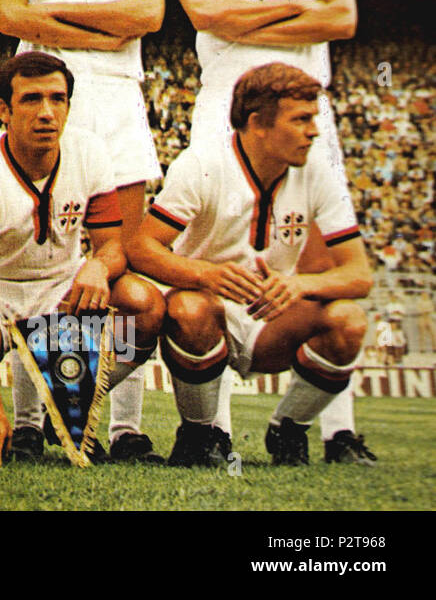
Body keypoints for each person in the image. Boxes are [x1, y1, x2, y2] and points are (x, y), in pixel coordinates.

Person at [174, 0, 371, 464]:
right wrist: (292, 6)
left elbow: (342, 20)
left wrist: (246, 12)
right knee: (215, 255)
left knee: (320, 266)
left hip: (306, 112)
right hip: (225, 113)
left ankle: (334, 432)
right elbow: (205, 16)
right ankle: (215, 431)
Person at [0, 0, 166, 463]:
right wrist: (106, 24)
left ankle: (123, 428)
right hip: (49, 97)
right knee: (47, 254)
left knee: (123, 262)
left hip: (120, 99)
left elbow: (148, 17)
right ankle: (29, 423)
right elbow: (11, 18)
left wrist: (62, 20)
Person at [0, 52, 164, 465]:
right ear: (3, 111)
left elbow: (113, 245)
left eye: (57, 99)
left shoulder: (90, 152)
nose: (47, 112)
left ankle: (68, 396)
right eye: (31, 100)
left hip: (59, 288)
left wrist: (99, 265)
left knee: (144, 305)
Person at [127, 63, 372, 467]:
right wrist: (205, 273)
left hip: (273, 316)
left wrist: (302, 286)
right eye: (301, 120)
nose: (314, 131)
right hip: (209, 315)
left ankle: (288, 430)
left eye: (314, 119)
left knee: (349, 320)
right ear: (258, 123)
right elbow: (142, 247)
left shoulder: (318, 171)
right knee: (189, 307)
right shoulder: (203, 163)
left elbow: (358, 274)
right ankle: (199, 433)